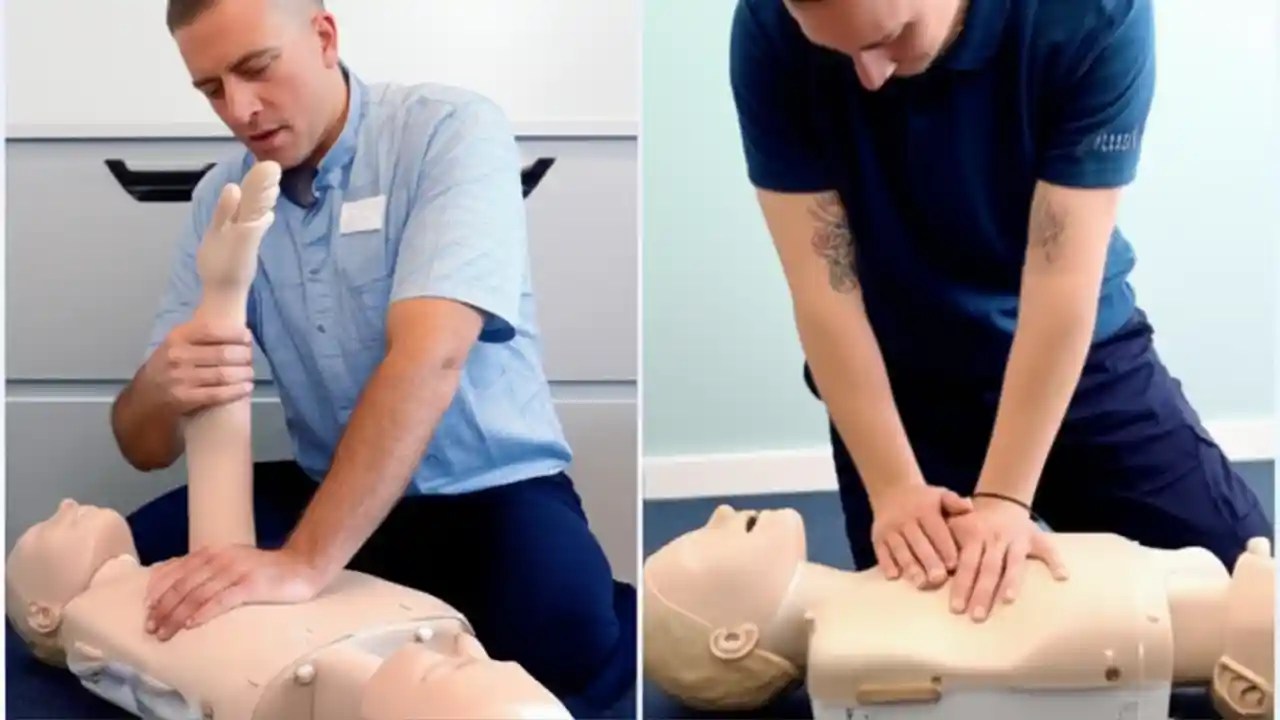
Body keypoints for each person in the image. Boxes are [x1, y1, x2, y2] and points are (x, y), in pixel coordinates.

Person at [106, 0, 632, 713]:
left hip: (488, 490)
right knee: (142, 563)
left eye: (256, 69)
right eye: (210, 89)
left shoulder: (448, 131)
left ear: (323, 37)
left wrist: (301, 566)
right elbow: (142, 444)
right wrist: (163, 388)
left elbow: (431, 359)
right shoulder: (218, 199)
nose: (239, 109)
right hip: (325, 484)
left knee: (565, 628)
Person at [728, 0, 1271, 623]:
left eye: (887, 38)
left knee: (1247, 593)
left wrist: (1005, 497)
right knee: (914, 641)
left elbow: (1060, 277)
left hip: (1077, 351)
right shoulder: (770, 24)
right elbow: (823, 289)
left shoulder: (1095, 14)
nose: (870, 76)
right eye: (838, 48)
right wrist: (895, 489)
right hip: (900, 370)